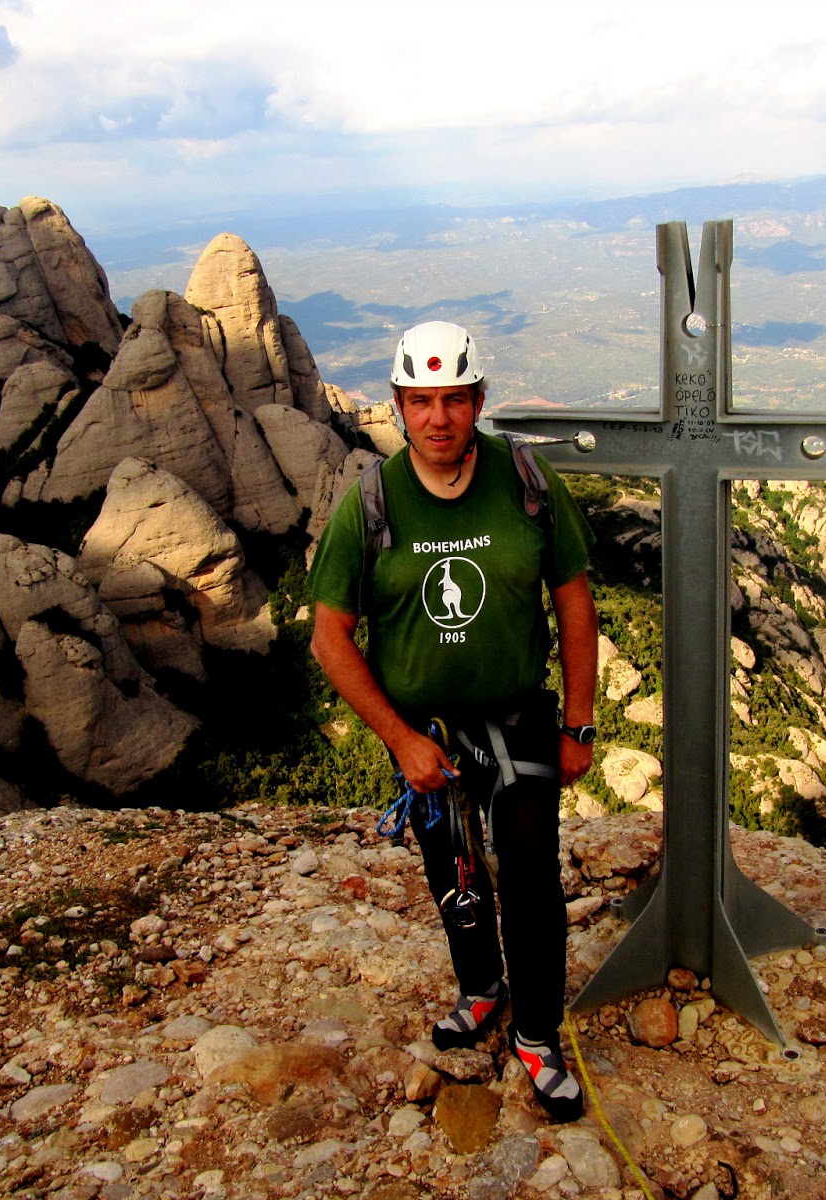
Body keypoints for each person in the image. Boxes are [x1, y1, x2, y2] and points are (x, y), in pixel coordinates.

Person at [308, 320, 599, 1122]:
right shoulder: (369, 502)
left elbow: (574, 599)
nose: (439, 417)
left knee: (532, 870)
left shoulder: (527, 480)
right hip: (426, 735)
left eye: (455, 400)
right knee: (456, 881)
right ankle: (481, 989)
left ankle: (537, 1037)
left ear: (479, 401)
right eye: (421, 401)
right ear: (399, 407)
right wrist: (399, 740)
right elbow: (329, 635)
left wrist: (579, 725)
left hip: (518, 717)